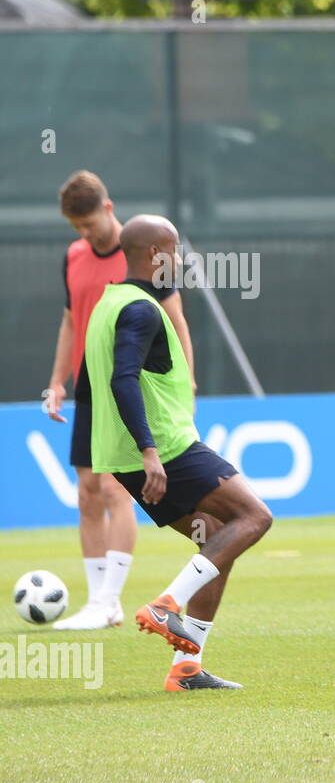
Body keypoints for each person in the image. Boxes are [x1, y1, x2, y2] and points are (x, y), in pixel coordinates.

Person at [84, 214, 272, 691]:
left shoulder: (108, 303)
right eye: (173, 250)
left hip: (125, 456)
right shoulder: (143, 310)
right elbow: (122, 378)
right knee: (254, 517)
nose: (179, 260)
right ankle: (168, 604)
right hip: (165, 448)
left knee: (215, 538)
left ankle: (187, 668)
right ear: (155, 255)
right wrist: (150, 450)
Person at [46, 171, 197, 630]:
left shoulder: (141, 257)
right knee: (88, 492)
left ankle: (110, 599)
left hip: (131, 383)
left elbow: (176, 317)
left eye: (89, 224)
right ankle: (97, 603)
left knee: (116, 488)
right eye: (77, 228)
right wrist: (56, 381)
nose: (84, 234)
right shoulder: (73, 256)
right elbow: (71, 322)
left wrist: (187, 376)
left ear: (108, 209)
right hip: (89, 384)